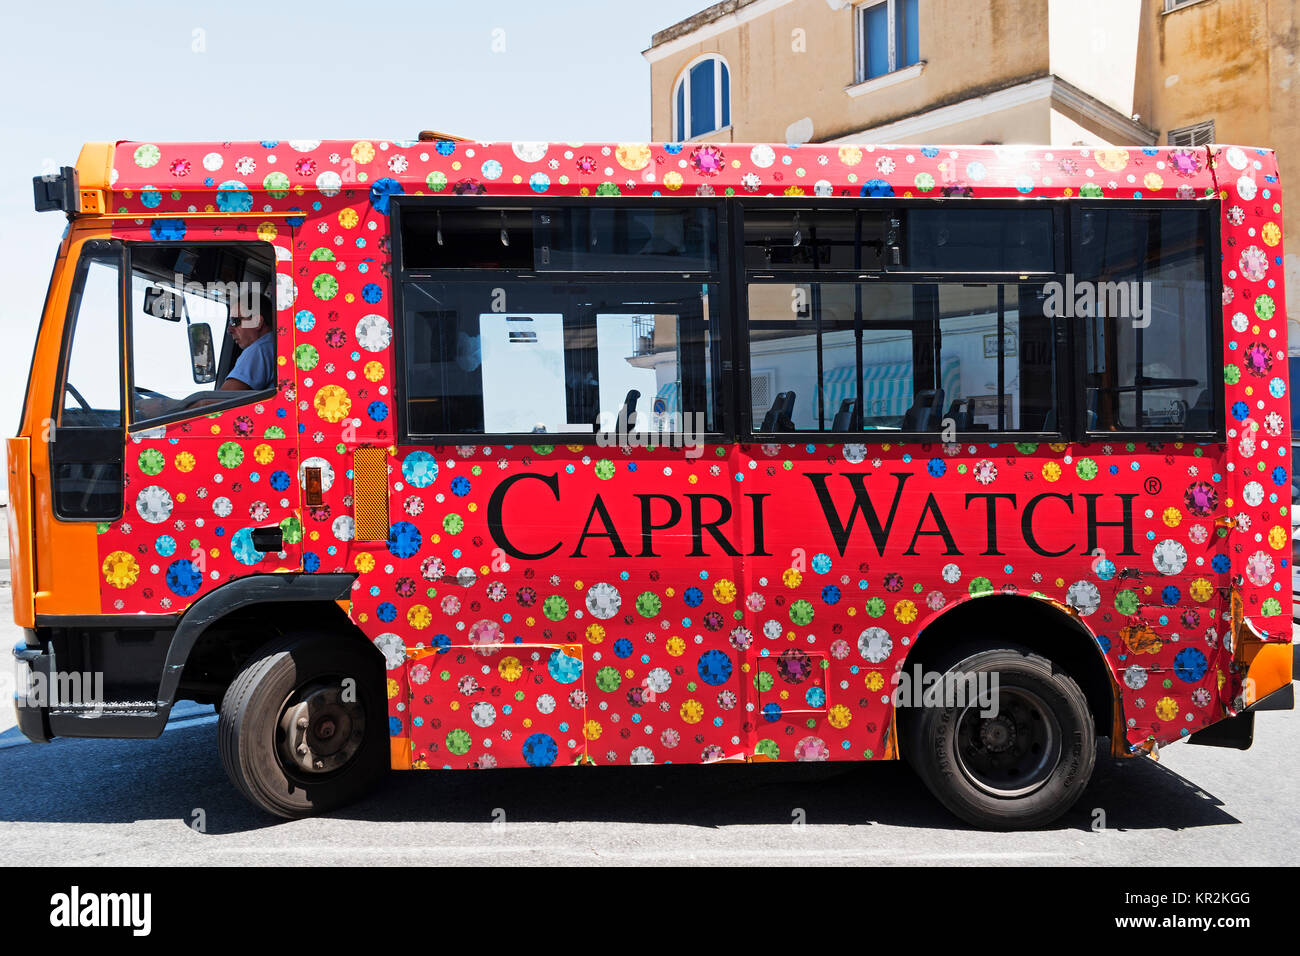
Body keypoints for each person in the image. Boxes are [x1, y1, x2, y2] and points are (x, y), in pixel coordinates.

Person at [222, 292, 277, 391]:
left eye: (235, 321)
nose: (229, 330)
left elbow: (220, 401)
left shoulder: (259, 350)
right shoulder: (274, 345)